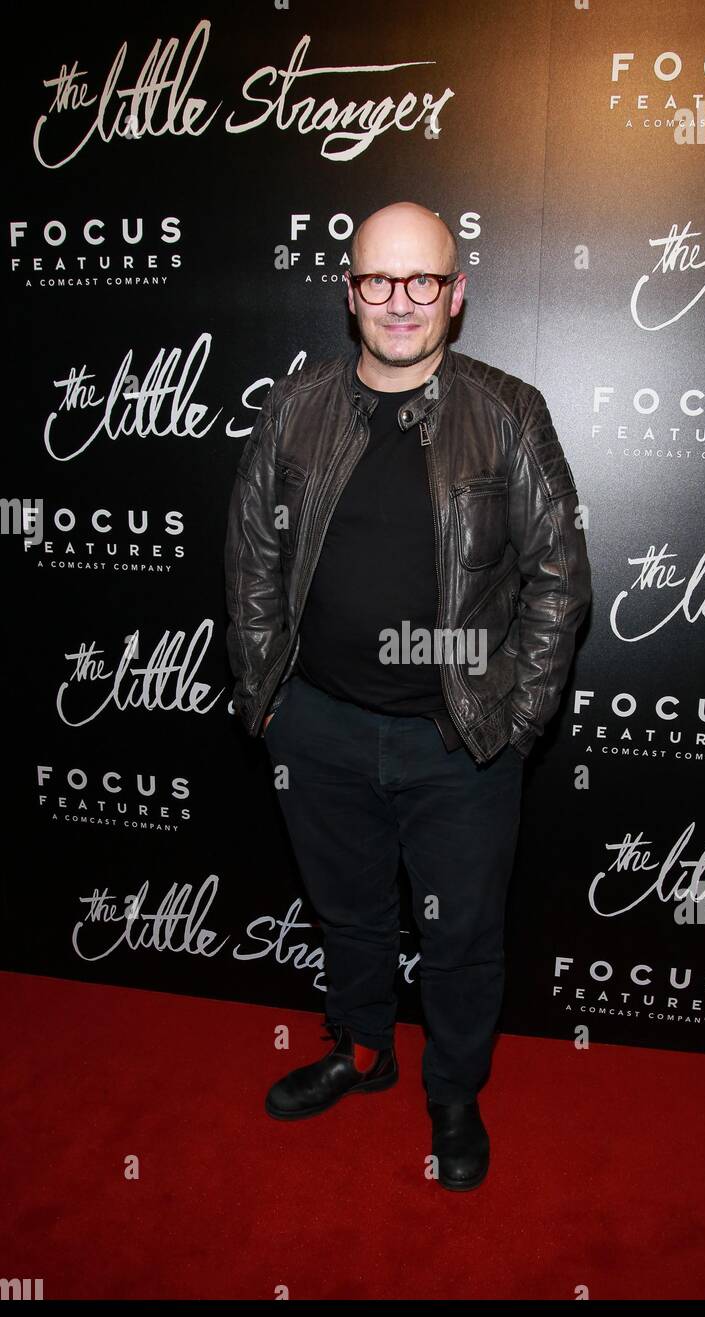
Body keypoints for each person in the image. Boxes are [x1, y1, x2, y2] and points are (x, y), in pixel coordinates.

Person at [224, 201, 591, 1191]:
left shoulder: (505, 411)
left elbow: (559, 574)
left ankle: (453, 1092)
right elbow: (253, 552)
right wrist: (268, 698)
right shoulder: (296, 405)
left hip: (454, 737)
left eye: (421, 280)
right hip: (319, 726)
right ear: (348, 294)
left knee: (460, 934)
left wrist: (513, 720)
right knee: (345, 913)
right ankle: (359, 1048)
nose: (398, 302)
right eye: (377, 281)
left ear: (455, 293)